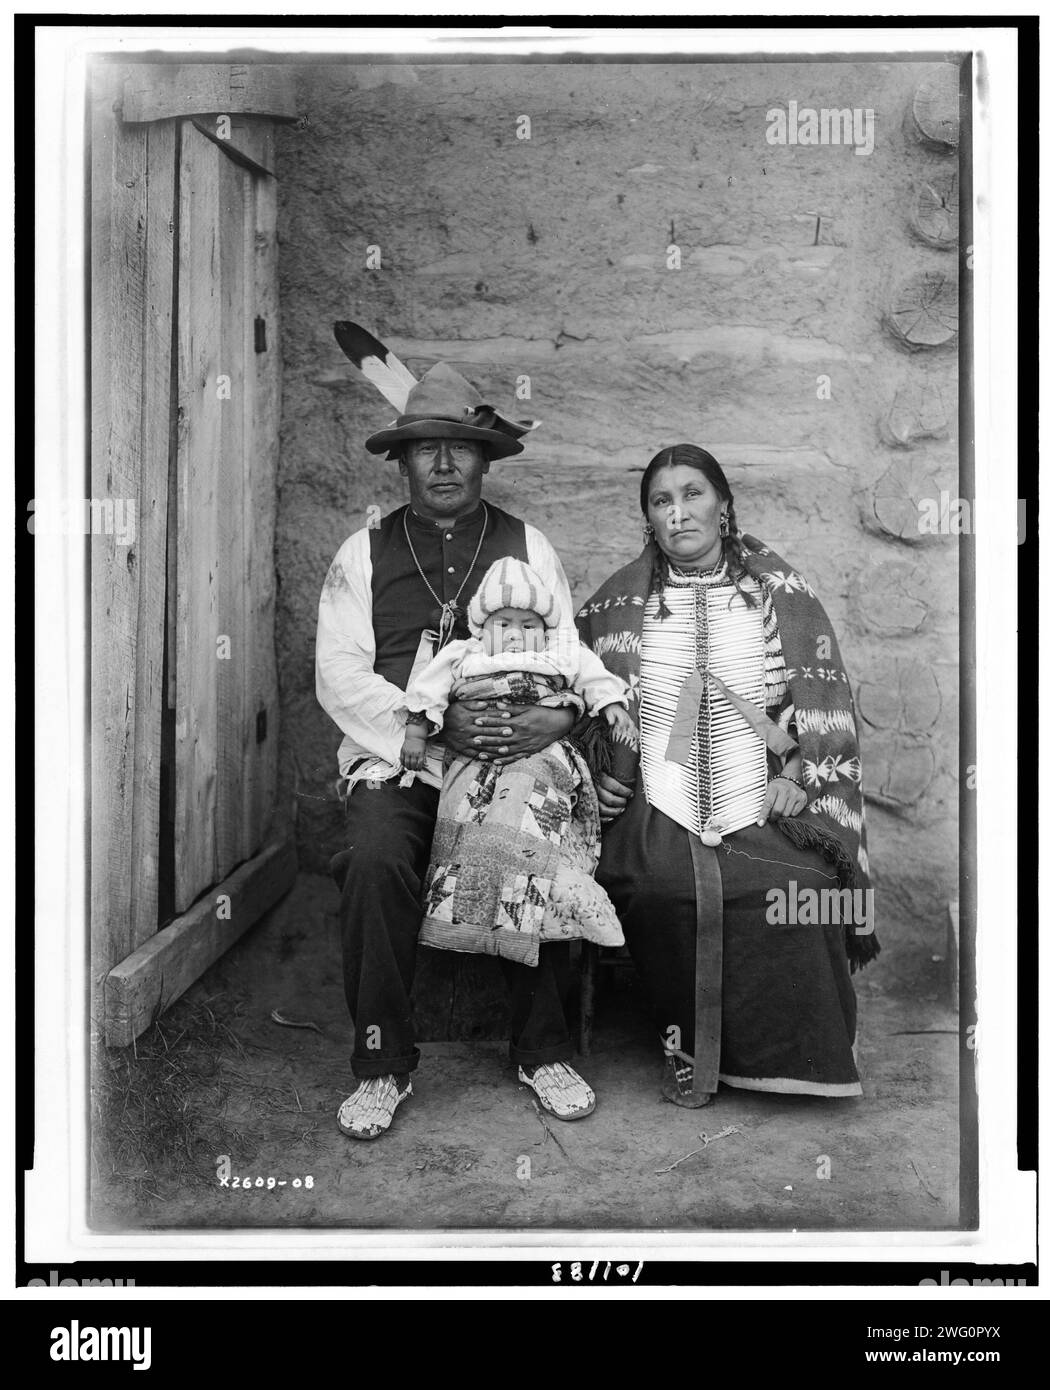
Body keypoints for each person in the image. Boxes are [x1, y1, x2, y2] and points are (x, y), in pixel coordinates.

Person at [316, 362, 599, 1139]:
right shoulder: (363, 551)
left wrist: (560, 716)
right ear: (401, 462)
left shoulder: (527, 545)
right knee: (375, 855)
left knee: (527, 842)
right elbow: (336, 674)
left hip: (509, 750)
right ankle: (382, 1064)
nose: (443, 464)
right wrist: (435, 731)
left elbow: (568, 653)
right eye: (426, 449)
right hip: (400, 755)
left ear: (485, 459)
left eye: (460, 448)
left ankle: (541, 1051)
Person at [575, 444, 879, 1108]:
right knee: (659, 886)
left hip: (757, 789)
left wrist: (796, 773)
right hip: (656, 795)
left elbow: (811, 714)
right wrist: (601, 774)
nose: (679, 513)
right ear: (649, 518)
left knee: (800, 879)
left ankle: (793, 1053)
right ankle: (686, 1043)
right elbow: (577, 707)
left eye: (693, 494)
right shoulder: (615, 606)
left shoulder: (783, 599)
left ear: (724, 505)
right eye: (662, 501)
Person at [402, 555, 638, 969]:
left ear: (544, 630)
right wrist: (417, 732)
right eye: (503, 624)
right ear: (482, 627)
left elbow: (593, 675)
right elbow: (428, 690)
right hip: (478, 757)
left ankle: (561, 896)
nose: (515, 636)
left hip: (541, 753)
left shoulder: (560, 653)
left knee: (530, 807)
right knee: (470, 821)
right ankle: (464, 915)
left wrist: (612, 704)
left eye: (528, 626)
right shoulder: (463, 653)